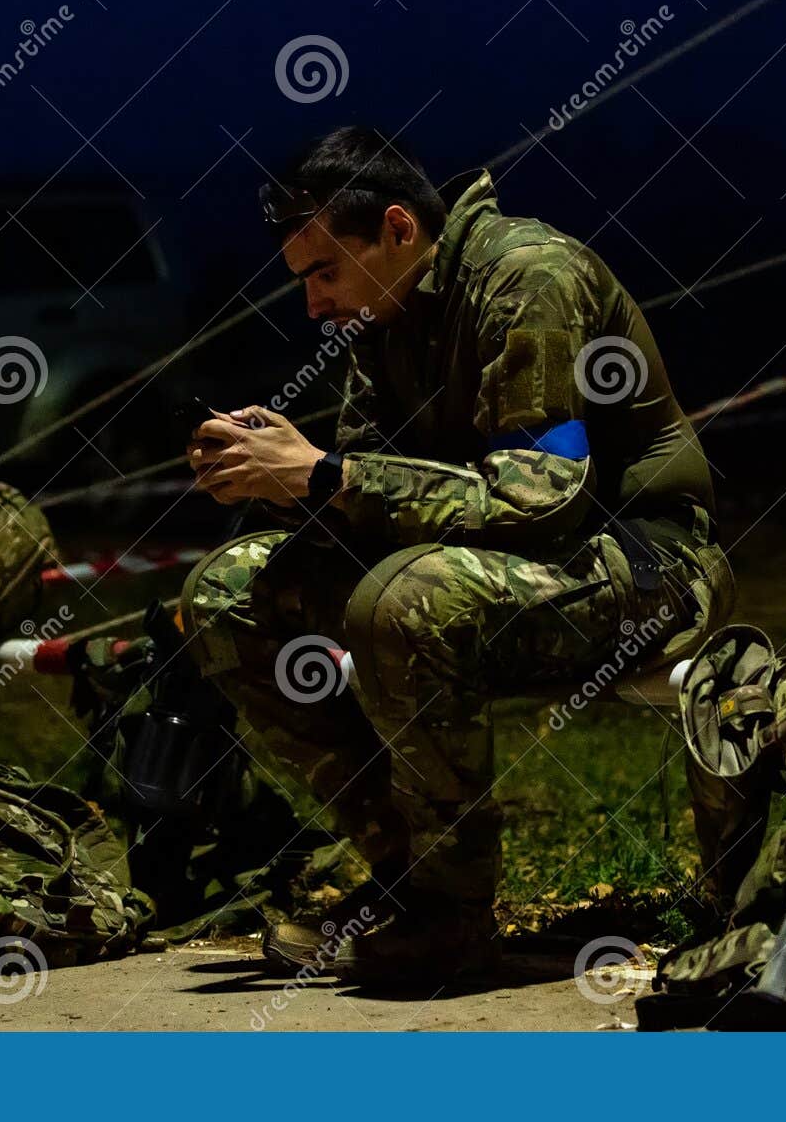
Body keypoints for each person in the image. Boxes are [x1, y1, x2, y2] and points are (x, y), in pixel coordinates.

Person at [179, 126, 734, 982]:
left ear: (399, 229)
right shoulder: (385, 315)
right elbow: (380, 494)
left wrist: (327, 473)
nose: (314, 305)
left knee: (404, 598)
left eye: (325, 272)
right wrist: (291, 482)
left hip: (644, 564)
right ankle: (403, 873)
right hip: (509, 566)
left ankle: (452, 911)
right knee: (229, 594)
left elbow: (538, 497)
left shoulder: (527, 277)